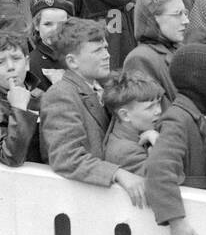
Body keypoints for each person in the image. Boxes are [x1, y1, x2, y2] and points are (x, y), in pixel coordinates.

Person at [38, 17, 147, 206]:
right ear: (72, 61)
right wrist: (117, 173)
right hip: (84, 202)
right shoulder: (60, 95)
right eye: (97, 50)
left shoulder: (101, 86)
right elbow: (66, 157)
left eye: (105, 47)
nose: (107, 55)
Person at [144, 42, 206, 235]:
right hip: (193, 221)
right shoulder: (177, 119)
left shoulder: (200, 112)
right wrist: (176, 221)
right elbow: (159, 170)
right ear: (201, 81)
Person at [0, 29, 42, 165]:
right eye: (0, 62)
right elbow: (10, 157)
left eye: (16, 59)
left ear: (27, 63)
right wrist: (19, 109)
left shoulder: (41, 95)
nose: (11, 67)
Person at [122, 0, 188, 102]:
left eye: (185, 13)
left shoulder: (177, 49)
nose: (186, 20)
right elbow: (155, 113)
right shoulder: (140, 59)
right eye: (177, 14)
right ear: (153, 19)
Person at [101, 70, 165, 172]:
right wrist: (159, 143)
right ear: (125, 115)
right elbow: (169, 177)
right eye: (150, 107)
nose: (159, 111)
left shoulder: (137, 132)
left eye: (158, 103)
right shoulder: (126, 152)